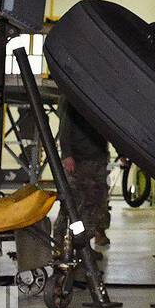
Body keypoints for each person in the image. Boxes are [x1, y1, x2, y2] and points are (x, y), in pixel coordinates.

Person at [56, 99, 111, 248]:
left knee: (95, 203)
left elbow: (111, 128)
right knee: (73, 203)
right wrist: (67, 155)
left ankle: (85, 245)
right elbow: (64, 128)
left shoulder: (99, 101)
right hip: (78, 161)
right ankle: (61, 243)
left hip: (97, 158)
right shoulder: (73, 101)